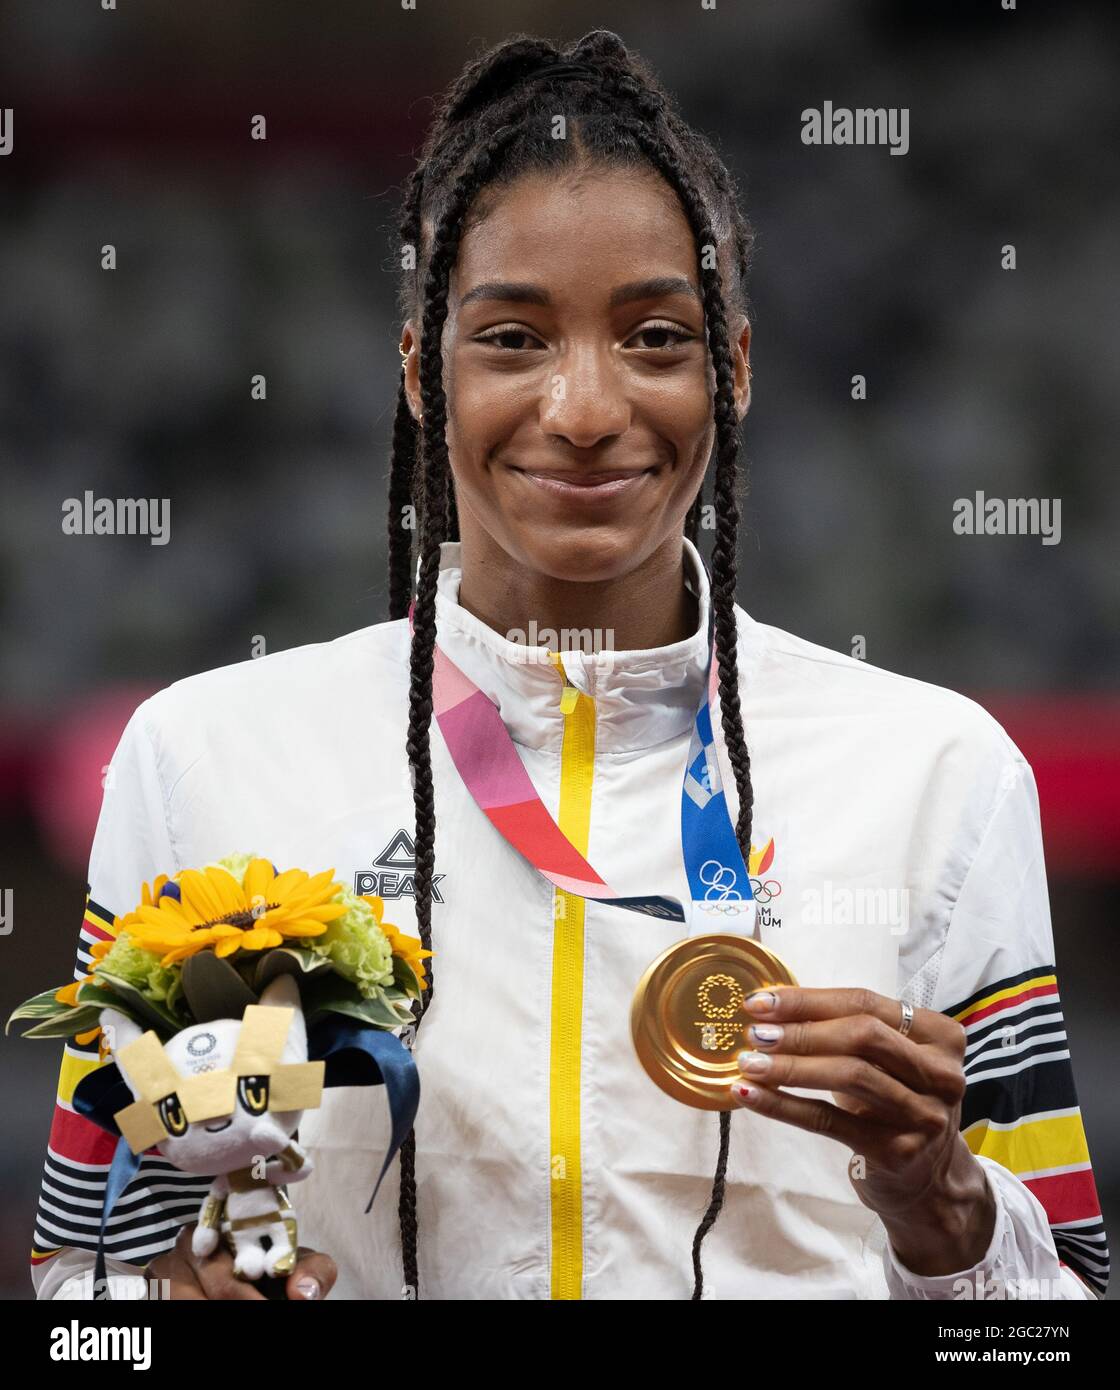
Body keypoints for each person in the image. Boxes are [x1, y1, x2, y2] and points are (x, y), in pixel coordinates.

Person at [31, 30, 1108, 1301]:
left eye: (656, 336)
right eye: (510, 338)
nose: (587, 408)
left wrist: (945, 1210)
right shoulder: (203, 757)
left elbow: (1053, 1323)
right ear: (421, 375)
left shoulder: (936, 773)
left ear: (738, 368)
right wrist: (160, 1309)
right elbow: (73, 1299)